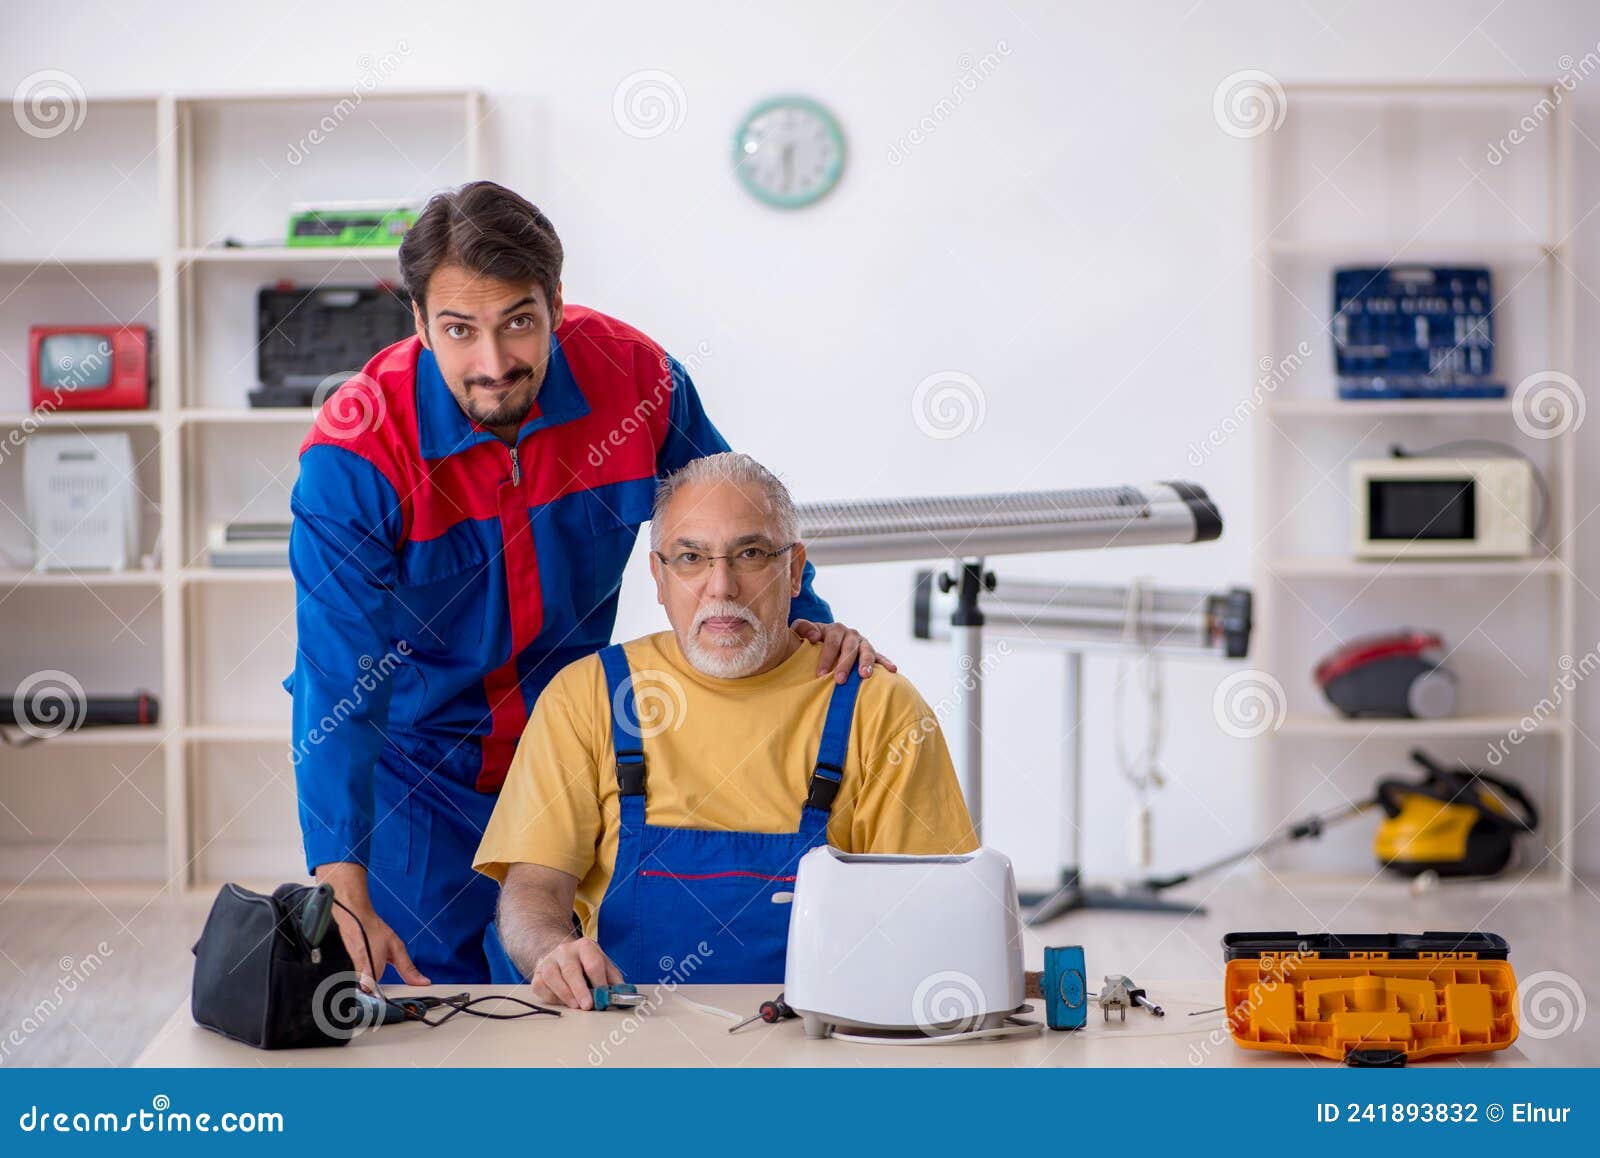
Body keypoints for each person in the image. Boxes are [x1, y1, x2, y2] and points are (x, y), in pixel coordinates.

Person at [286, 183, 889, 985]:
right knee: (424, 1007)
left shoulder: (637, 380)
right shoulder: (359, 452)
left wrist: (809, 622)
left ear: (557, 305)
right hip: (416, 773)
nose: (494, 363)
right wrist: (341, 880)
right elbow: (336, 677)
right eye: (460, 331)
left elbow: (729, 518)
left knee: (569, 992)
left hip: (574, 755)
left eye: (519, 323)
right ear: (420, 324)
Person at [474, 452, 977, 1006]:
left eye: (751, 554)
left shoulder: (879, 708)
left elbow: (931, 915)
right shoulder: (589, 696)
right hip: (627, 1043)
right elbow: (532, 890)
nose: (721, 586)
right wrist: (552, 951)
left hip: (820, 1043)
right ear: (659, 577)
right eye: (691, 557)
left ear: (794, 570)